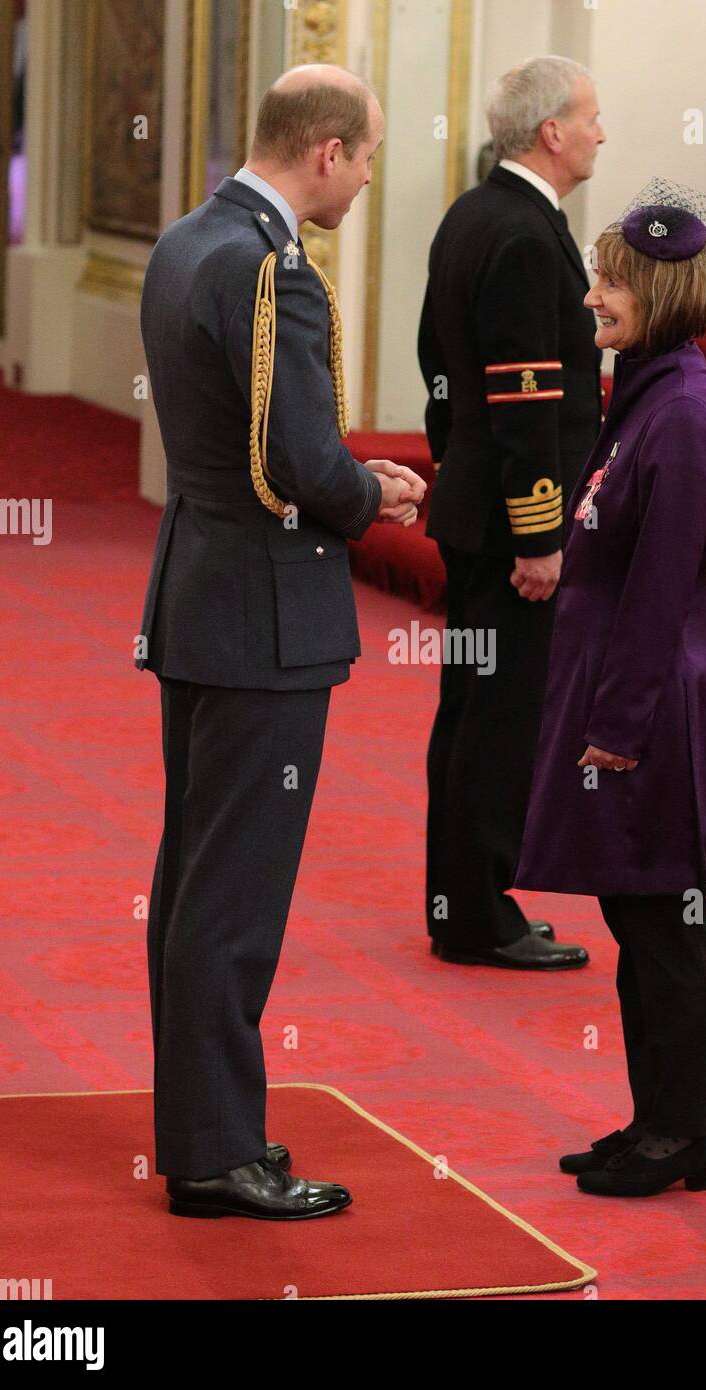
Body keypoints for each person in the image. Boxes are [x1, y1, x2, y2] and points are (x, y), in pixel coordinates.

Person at [136, 65, 425, 1220]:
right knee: (236, 893)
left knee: (193, 874)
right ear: (326, 151)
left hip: (201, 589)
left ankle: (202, 1125)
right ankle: (217, 1153)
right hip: (263, 610)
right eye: (363, 159)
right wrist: (372, 495)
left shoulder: (186, 239)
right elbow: (299, 463)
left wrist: (342, 476)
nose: (363, 180)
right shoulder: (275, 272)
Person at [513, 179, 706, 1197]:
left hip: (650, 715)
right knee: (634, 920)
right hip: (616, 696)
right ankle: (654, 1119)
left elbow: (656, 595)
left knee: (664, 926)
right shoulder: (647, 392)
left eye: (614, 282)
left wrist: (616, 726)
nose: (594, 296)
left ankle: (684, 1133)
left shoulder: (684, 416)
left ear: (660, 292)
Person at [417, 56, 605, 971]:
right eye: (592, 119)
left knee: (465, 711)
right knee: (498, 720)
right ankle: (480, 917)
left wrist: (453, 463)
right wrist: (542, 536)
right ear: (552, 133)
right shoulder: (529, 237)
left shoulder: (472, 212)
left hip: (470, 507)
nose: (602, 133)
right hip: (509, 528)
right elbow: (529, 401)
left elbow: (436, 367)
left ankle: (456, 902)